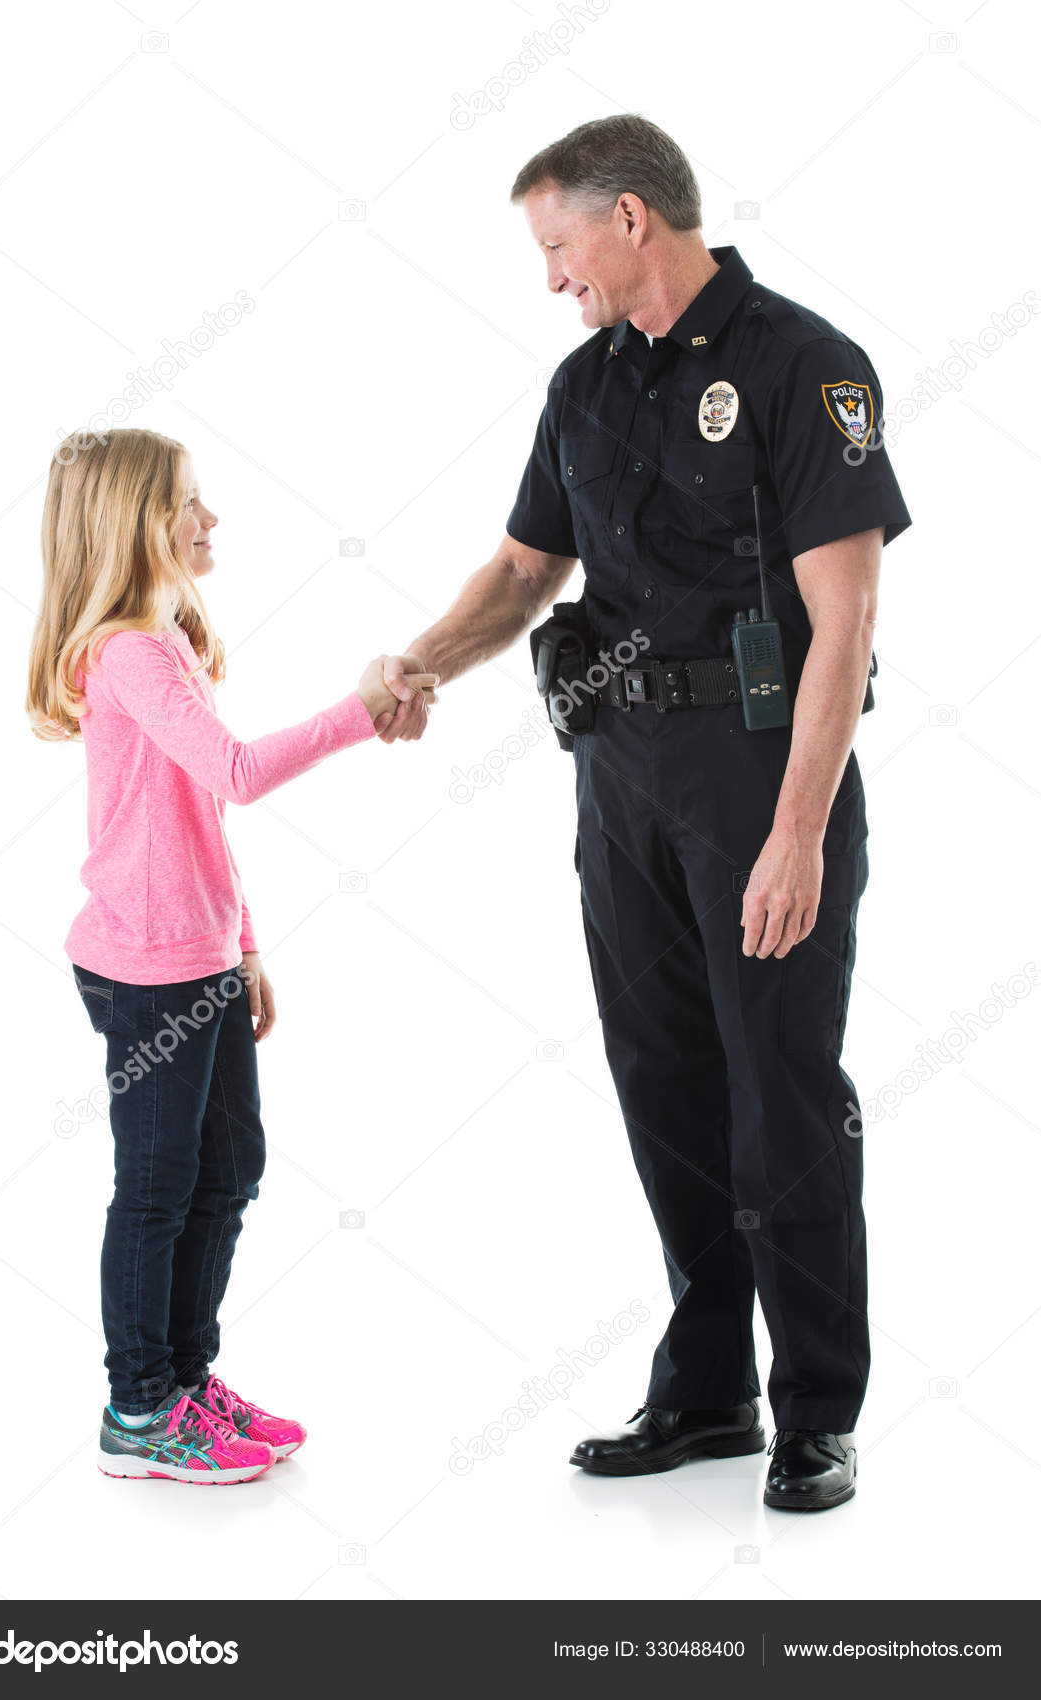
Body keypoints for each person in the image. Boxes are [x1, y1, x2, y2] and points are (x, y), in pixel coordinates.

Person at [373, 115, 911, 1512]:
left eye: (557, 246)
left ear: (627, 222)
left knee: (776, 1085)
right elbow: (518, 571)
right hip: (616, 771)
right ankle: (707, 1393)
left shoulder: (804, 365)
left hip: (756, 769)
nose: (551, 278)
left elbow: (841, 623)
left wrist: (796, 830)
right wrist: (421, 660)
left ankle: (814, 1415)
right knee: (661, 1080)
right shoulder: (582, 387)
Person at [26, 426, 436, 1485]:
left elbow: (199, 816)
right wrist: (362, 710)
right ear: (136, 524)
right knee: (157, 1185)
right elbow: (240, 772)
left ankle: (184, 1378)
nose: (210, 520)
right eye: (189, 503)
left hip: (197, 957)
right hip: (142, 969)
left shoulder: (163, 643)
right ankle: (137, 1408)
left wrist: (242, 944)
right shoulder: (126, 652)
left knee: (229, 1167)